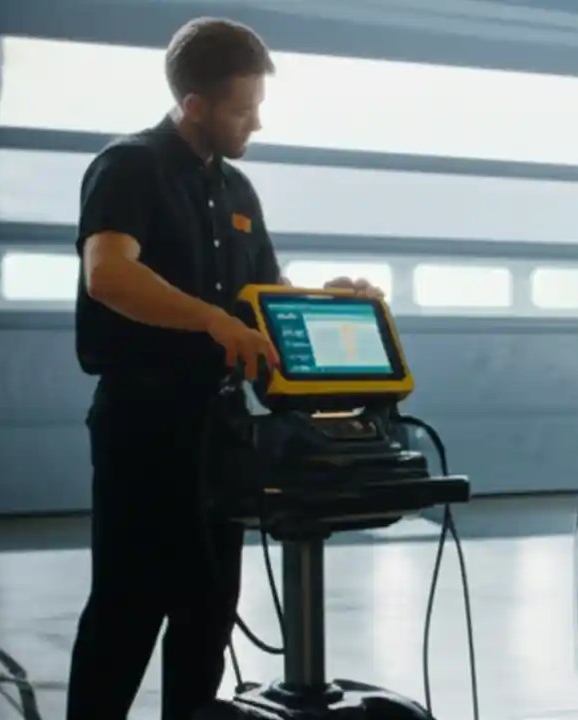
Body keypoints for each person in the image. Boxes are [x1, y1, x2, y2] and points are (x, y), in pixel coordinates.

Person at [65, 17, 379, 720]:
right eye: (242, 109)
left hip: (222, 430)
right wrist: (210, 320)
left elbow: (261, 300)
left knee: (207, 610)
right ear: (194, 104)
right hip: (145, 425)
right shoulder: (129, 167)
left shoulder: (237, 192)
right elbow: (108, 274)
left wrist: (328, 300)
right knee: (128, 606)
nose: (256, 123)